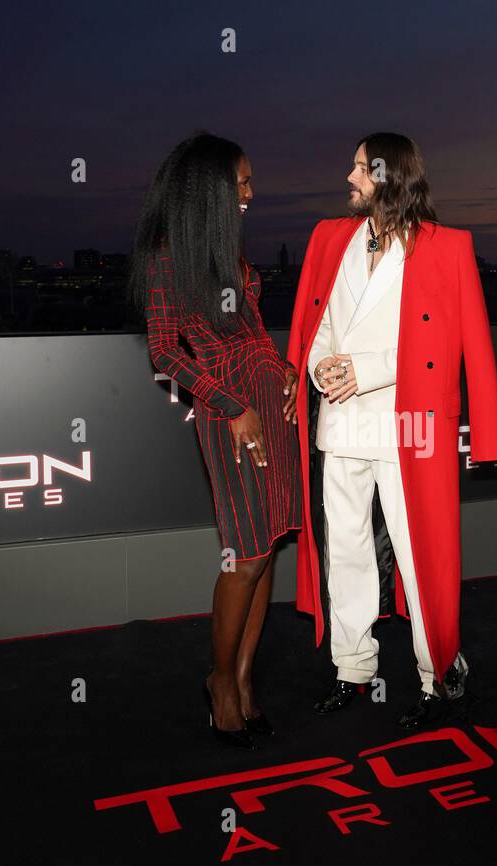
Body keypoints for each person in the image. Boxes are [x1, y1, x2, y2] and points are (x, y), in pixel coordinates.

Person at [285, 132, 497, 728]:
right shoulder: (329, 237)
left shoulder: (446, 247)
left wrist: (364, 371)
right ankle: (353, 668)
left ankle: (438, 676)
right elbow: (316, 319)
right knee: (347, 551)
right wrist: (319, 366)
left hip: (408, 422)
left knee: (419, 555)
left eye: (360, 168)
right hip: (340, 419)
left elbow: (452, 347)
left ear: (388, 175)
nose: (349, 177)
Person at [129, 132, 301, 750]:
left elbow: (252, 330)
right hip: (230, 417)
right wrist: (230, 406)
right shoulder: (164, 257)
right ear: (211, 190)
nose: (252, 193)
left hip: (271, 409)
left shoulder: (223, 250)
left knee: (268, 550)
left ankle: (247, 682)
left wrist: (281, 370)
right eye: (243, 182)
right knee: (246, 555)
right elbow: (162, 352)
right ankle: (220, 683)